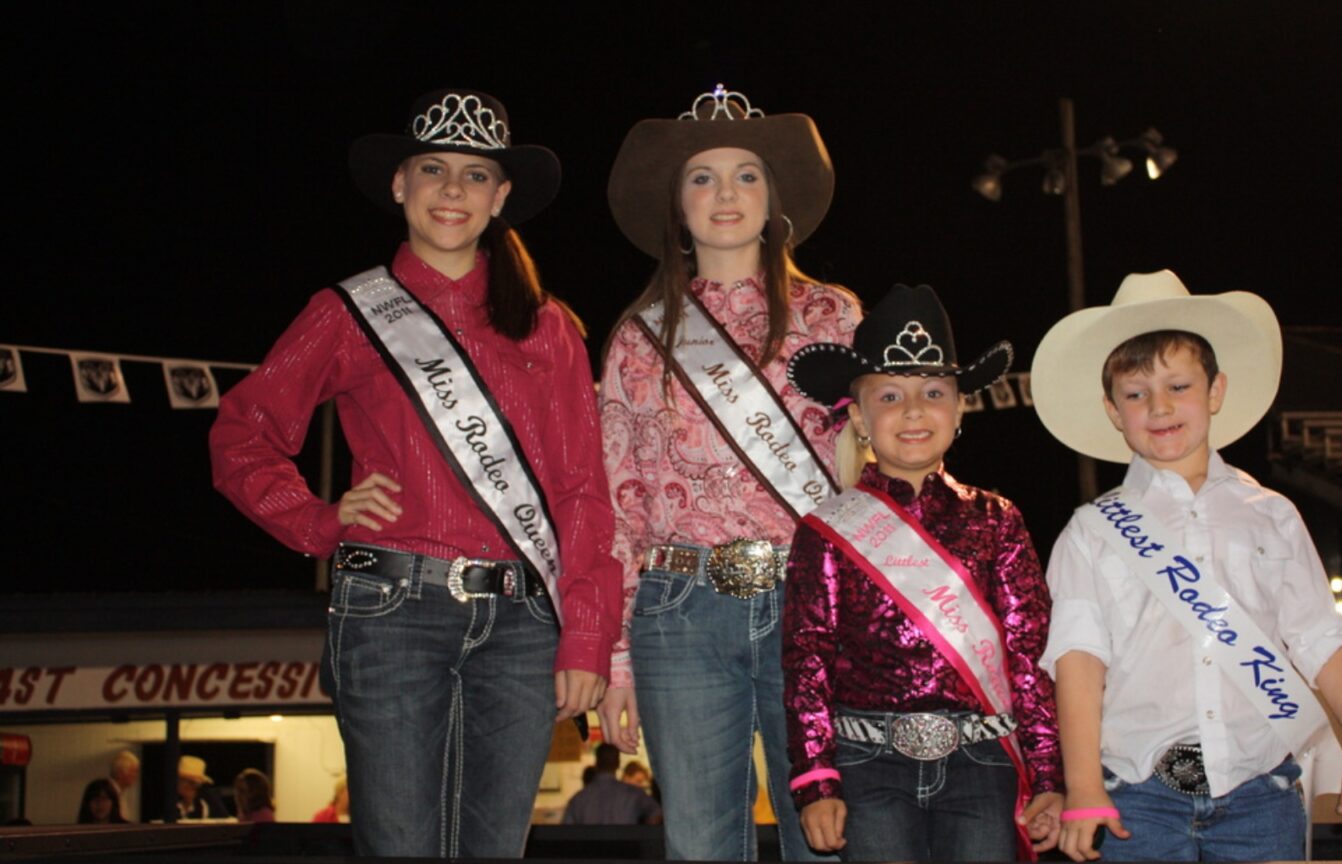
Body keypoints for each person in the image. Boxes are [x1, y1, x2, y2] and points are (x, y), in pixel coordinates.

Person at [209, 89, 623, 858]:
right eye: (433, 169)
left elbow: (582, 491)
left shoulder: (550, 327)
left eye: (474, 175)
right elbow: (242, 435)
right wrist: (321, 520)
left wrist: (588, 636)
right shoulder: (349, 311)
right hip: (392, 608)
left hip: (524, 626)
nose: (452, 190)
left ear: (501, 197)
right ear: (400, 184)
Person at [1029, 270, 1342, 861]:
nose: (1159, 406)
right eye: (1136, 393)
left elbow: (1320, 635)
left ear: (1216, 390)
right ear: (1113, 410)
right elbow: (1078, 661)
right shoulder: (1091, 531)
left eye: (1178, 385)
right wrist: (1084, 784)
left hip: (1261, 796)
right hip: (1136, 799)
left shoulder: (1271, 515)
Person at [597, 84, 861, 861]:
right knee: (701, 845)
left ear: (773, 195)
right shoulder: (637, 337)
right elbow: (621, 501)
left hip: (810, 604)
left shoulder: (834, 317)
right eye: (702, 177)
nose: (725, 194)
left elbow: (872, 477)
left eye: (746, 174)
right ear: (676, 205)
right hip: (679, 607)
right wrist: (615, 657)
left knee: (830, 836)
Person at [779, 284, 1064, 861]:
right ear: (858, 417)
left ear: (959, 410)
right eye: (889, 396)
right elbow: (806, 658)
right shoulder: (826, 528)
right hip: (866, 765)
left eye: (933, 392)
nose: (913, 410)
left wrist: (1049, 776)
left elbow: (1028, 657)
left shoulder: (998, 519)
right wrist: (817, 779)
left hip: (983, 764)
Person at [562, 743, 663, 825]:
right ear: (618, 763)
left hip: (590, 849)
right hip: (626, 848)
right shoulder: (634, 794)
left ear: (597, 762)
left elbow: (567, 831)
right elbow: (656, 813)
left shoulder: (579, 799)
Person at [175, 755, 229, 820]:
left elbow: (224, 819)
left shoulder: (204, 804)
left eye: (193, 782)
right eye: (183, 780)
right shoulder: (166, 804)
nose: (188, 785)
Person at [107, 750, 139, 823]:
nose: (136, 776)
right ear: (122, 772)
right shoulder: (109, 793)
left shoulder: (120, 793)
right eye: (134, 771)